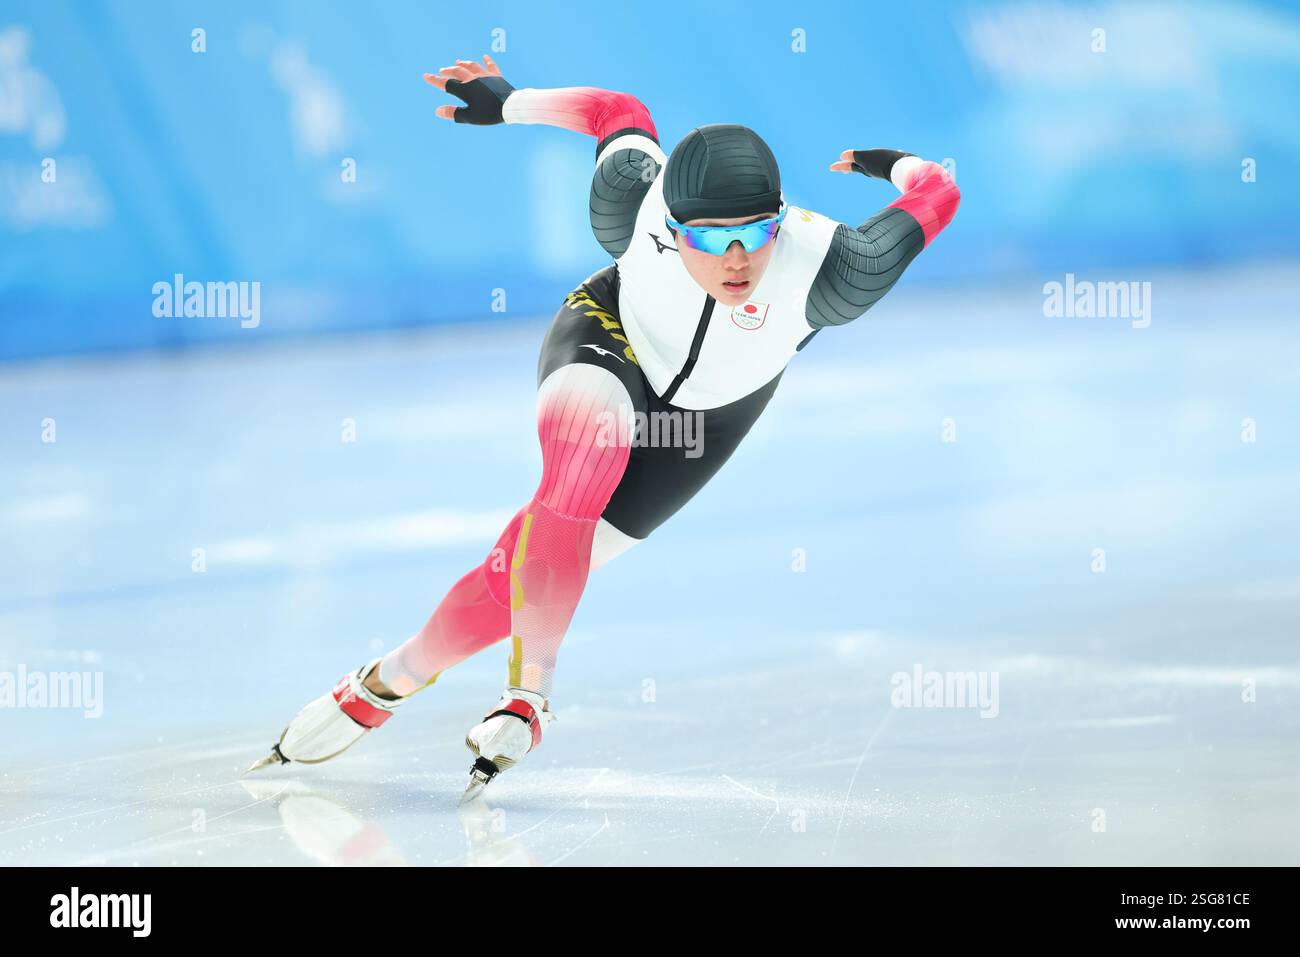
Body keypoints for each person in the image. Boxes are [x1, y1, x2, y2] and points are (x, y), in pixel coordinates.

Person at [247, 54, 960, 800]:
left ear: (781, 219)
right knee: (582, 454)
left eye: (756, 231)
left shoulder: (838, 271)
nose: (739, 258)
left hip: (708, 419)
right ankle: (528, 697)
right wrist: (511, 101)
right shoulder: (630, 201)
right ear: (672, 224)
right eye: (713, 239)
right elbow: (616, 110)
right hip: (609, 335)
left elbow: (939, 190)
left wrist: (897, 164)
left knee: (514, 579)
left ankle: (385, 680)